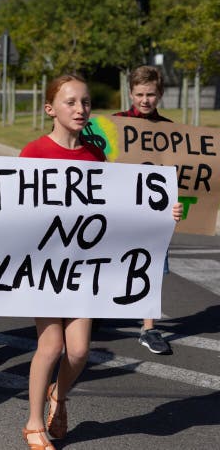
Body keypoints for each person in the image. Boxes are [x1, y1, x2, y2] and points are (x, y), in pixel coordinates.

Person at [0, 74, 183, 450]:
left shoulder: (95, 154)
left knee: (79, 351)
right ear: (50, 109)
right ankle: (34, 422)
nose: (80, 109)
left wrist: (161, 210)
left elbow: (114, 209)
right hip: (44, 268)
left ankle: (58, 397)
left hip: (82, 269)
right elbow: (13, 204)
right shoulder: (34, 151)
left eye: (85, 103)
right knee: (50, 347)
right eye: (70, 103)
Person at [114, 65, 175, 354]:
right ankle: (94, 312)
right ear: (130, 93)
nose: (145, 100)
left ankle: (149, 328)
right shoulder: (113, 125)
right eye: (139, 94)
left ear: (160, 94)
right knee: (107, 262)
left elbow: (180, 178)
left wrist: (179, 207)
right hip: (117, 211)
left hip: (153, 214)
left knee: (152, 268)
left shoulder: (171, 131)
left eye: (151, 94)